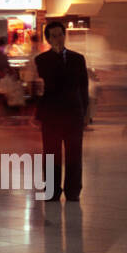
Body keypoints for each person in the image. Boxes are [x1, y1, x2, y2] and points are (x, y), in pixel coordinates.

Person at [32, 21, 89, 202]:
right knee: (51, 153)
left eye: (60, 34)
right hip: (51, 115)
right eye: (53, 36)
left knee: (74, 153)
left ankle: (73, 191)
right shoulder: (41, 60)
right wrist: (38, 114)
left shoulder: (77, 59)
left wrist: (86, 113)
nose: (58, 39)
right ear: (48, 39)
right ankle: (52, 190)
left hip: (73, 113)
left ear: (65, 35)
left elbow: (83, 87)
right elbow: (43, 88)